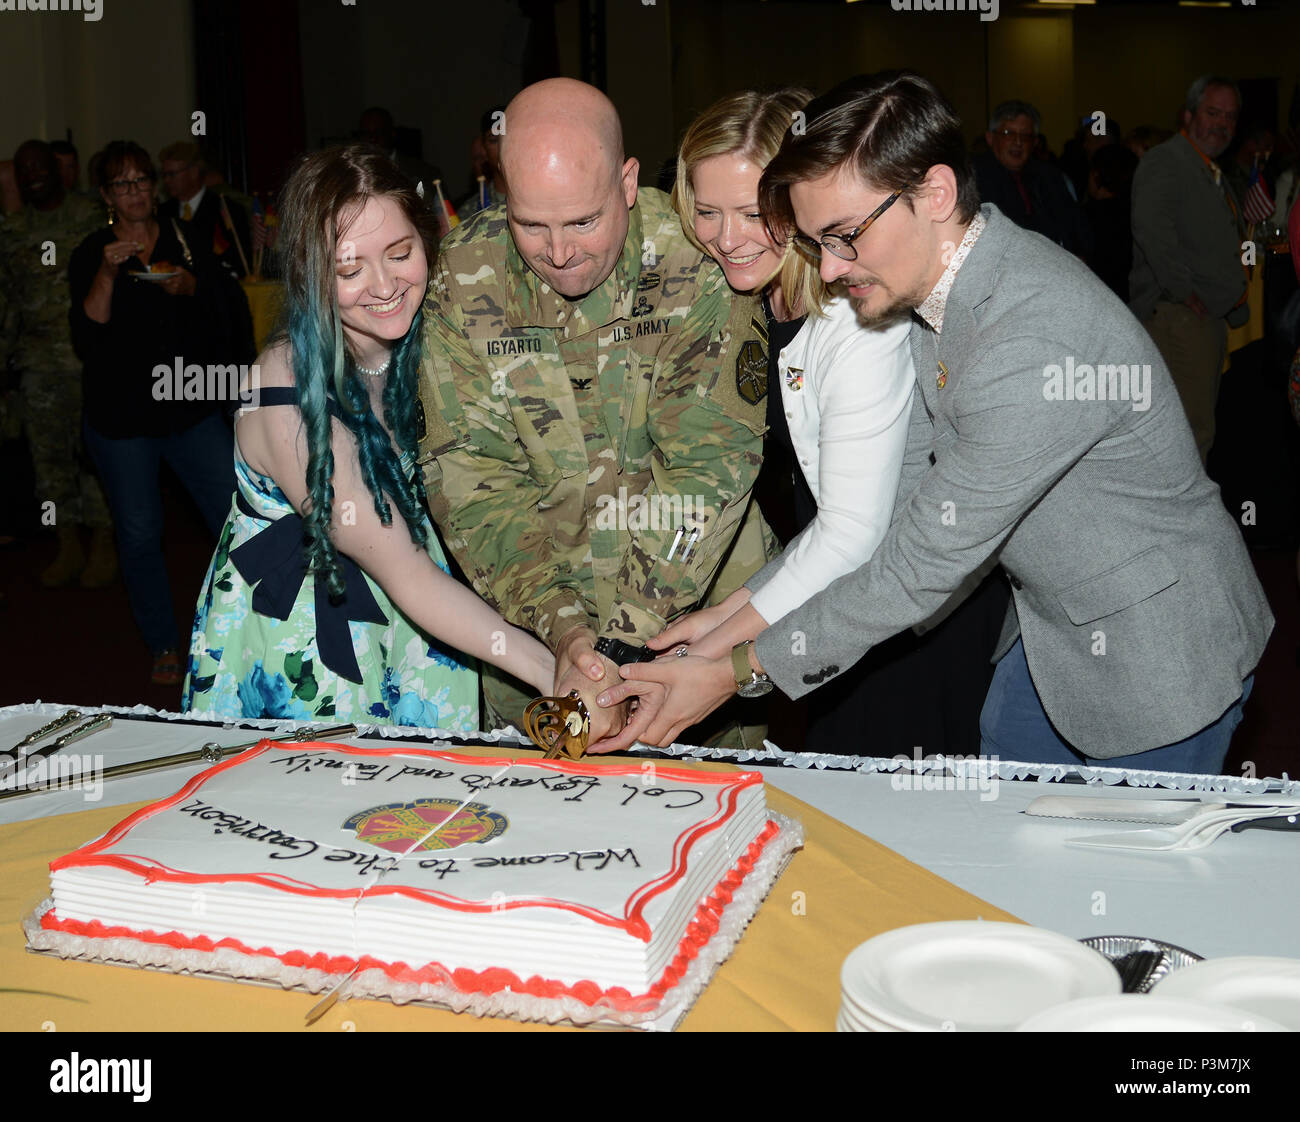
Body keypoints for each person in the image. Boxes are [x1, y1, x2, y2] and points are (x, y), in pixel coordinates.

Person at [599, 71, 1273, 776]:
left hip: (1156, 650)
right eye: (815, 240)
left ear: (936, 195)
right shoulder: (941, 285)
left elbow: (917, 566)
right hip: (1045, 632)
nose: (827, 268)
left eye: (844, 236)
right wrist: (729, 626)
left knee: (1114, 877)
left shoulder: (1030, 340)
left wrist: (734, 670)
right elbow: (899, 514)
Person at [646, 87, 1007, 759]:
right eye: (706, 212)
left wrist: (720, 653)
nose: (728, 238)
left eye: (753, 213)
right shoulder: (755, 297)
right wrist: (720, 618)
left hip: (919, 611)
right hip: (841, 598)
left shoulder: (855, 316)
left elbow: (852, 532)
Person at [417, 77, 774, 748]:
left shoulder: (698, 259)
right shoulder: (465, 274)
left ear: (628, 182)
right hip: (538, 646)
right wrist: (565, 632)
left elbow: (707, 470)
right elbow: (469, 477)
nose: (559, 253)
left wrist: (618, 647)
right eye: (531, 224)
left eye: (583, 221)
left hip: (692, 636)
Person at [184, 146, 553, 727]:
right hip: (308, 638)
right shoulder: (284, 385)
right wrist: (548, 671)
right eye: (350, 269)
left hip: (417, 609)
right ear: (311, 274)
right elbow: (404, 569)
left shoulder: (426, 343)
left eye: (401, 253)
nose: (383, 286)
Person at [70, 140, 246, 686]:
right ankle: (164, 642)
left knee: (234, 514)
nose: (136, 192)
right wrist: (106, 272)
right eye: (122, 184)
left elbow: (225, 308)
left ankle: (242, 625)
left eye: (142, 180)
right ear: (107, 196)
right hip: (122, 417)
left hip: (187, 403)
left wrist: (191, 287)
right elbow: (88, 331)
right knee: (142, 531)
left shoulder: (185, 240)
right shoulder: (92, 250)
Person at [0, 140, 115, 588]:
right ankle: (67, 543)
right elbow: (8, 299)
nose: (32, 174)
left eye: (39, 165)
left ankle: (103, 542)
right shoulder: (12, 230)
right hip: (37, 366)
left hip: (87, 359)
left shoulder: (89, 217)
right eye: (23, 169)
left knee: (94, 457)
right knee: (49, 462)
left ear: (55, 168)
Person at [1129, 76, 1248, 465]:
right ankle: (1176, 523)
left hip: (1201, 316)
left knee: (1195, 430)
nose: (1222, 124)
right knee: (1189, 434)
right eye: (1213, 113)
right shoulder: (1166, 160)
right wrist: (1185, 293)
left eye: (1230, 117)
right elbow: (1151, 230)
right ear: (1188, 114)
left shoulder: (1206, 167)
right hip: (1180, 317)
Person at [973, 100, 1091, 258]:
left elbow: (1076, 229)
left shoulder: (1050, 177)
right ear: (990, 138)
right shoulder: (974, 179)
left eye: (1025, 136)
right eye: (1009, 133)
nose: (1018, 142)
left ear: (1035, 142)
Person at [158, 141, 252, 282]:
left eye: (171, 174)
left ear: (194, 172)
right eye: (163, 175)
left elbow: (239, 260)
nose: (166, 180)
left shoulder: (226, 209)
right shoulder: (162, 212)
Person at [457, 105, 507, 220]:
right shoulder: (470, 213)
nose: (503, 145)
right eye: (494, 140)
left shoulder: (546, 195)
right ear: (484, 150)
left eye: (508, 136)